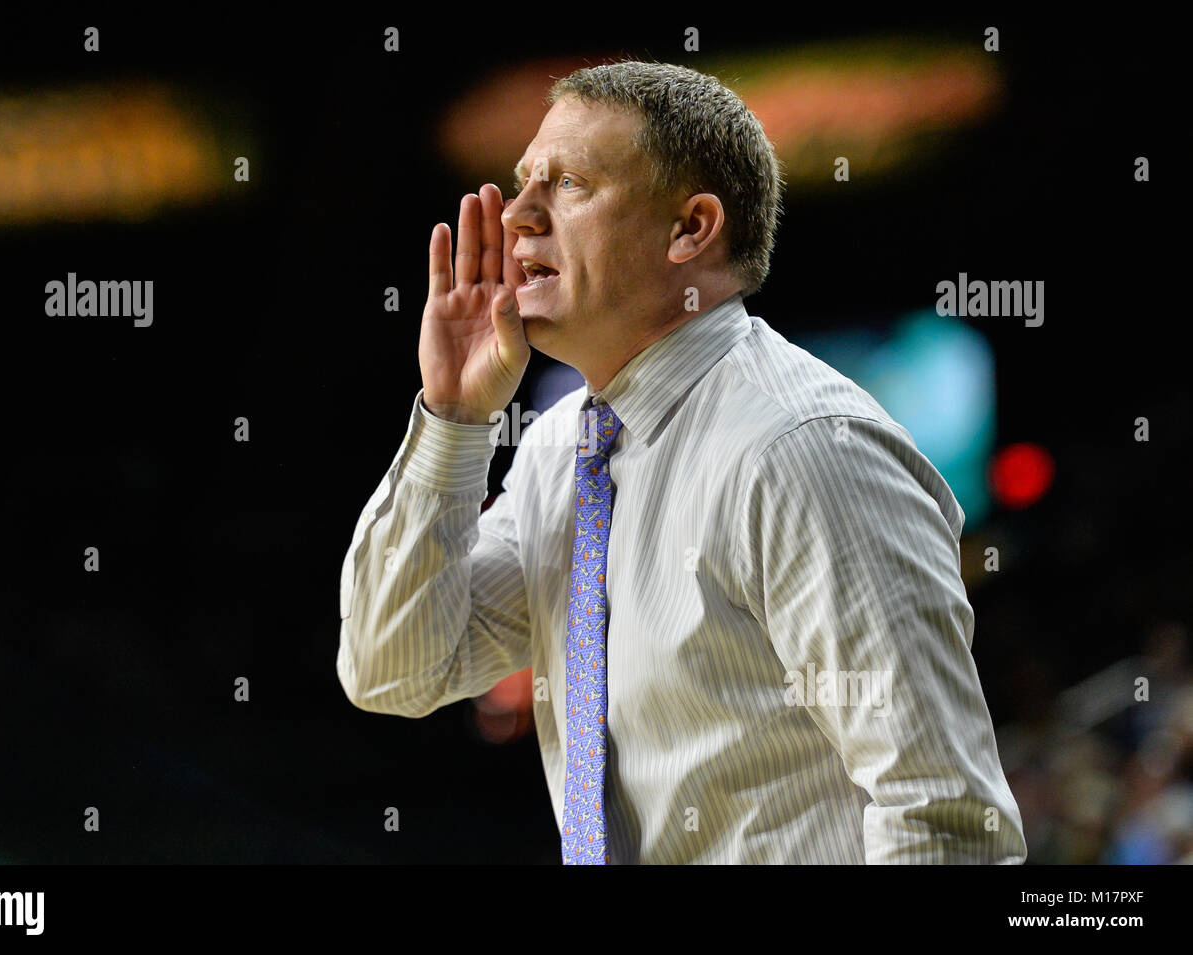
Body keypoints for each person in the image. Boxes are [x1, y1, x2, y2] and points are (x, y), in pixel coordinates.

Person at [337, 60, 1027, 864]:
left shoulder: (805, 448)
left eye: (568, 186)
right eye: (521, 182)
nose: (519, 216)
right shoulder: (562, 446)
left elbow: (942, 818)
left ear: (690, 229)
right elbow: (395, 669)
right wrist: (453, 419)